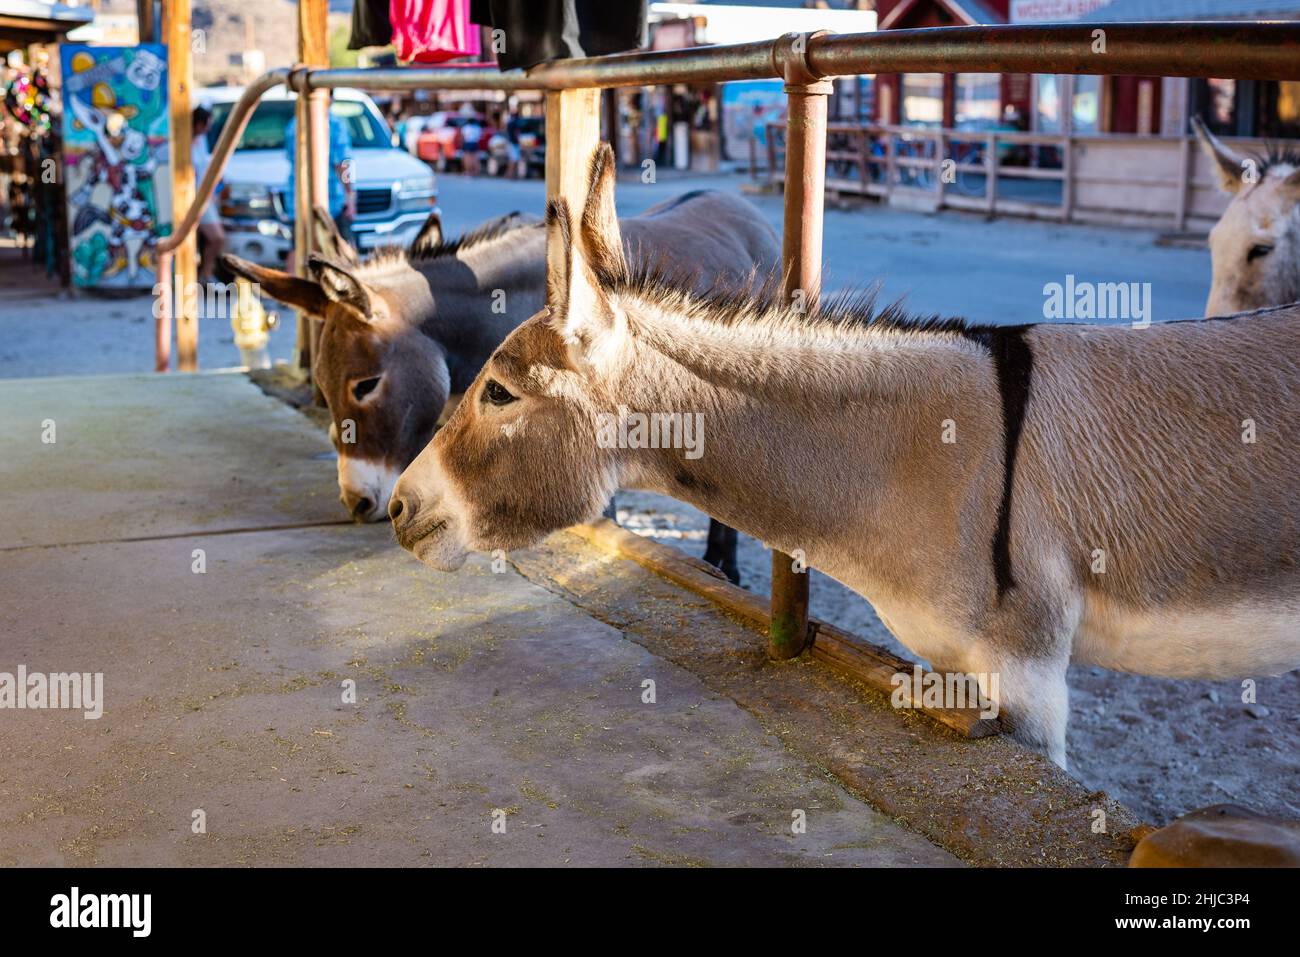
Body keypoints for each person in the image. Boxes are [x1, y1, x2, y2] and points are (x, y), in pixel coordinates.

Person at [285, 92, 355, 243]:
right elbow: (342, 164)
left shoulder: (294, 124)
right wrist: (350, 194)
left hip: (298, 201)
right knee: (344, 251)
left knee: (299, 249)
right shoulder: (333, 124)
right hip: (331, 202)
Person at [191, 105, 225, 282]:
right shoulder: (187, 145)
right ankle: (204, 275)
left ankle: (205, 273)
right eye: (206, 124)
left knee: (212, 238)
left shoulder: (201, 141)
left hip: (205, 197)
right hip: (196, 198)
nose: (208, 128)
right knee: (216, 237)